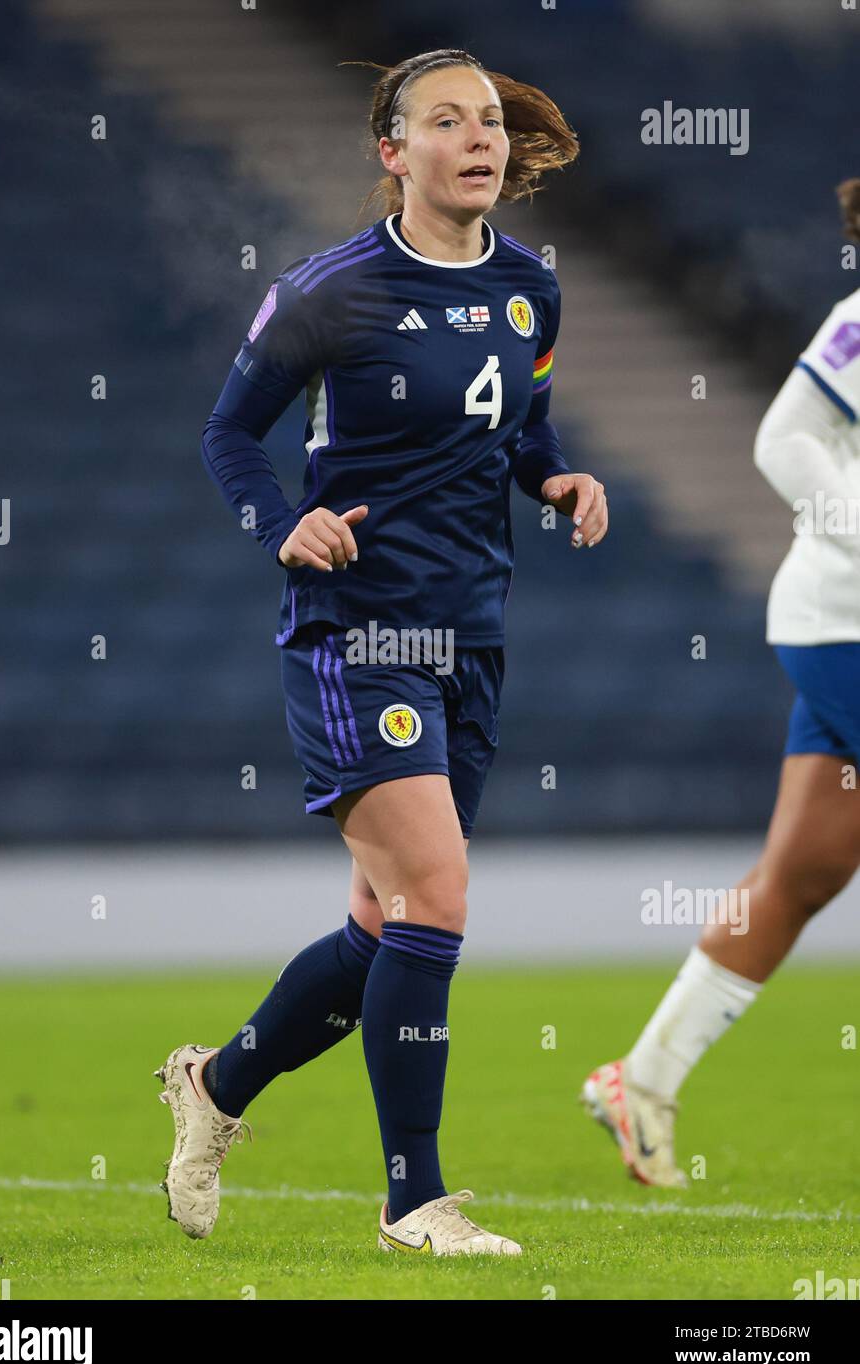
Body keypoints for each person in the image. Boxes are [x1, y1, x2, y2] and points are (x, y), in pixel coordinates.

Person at [156, 48, 608, 1254]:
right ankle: (415, 1201)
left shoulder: (529, 291)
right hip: (358, 637)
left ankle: (213, 1090)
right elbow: (228, 436)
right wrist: (281, 523)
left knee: (381, 928)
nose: (480, 139)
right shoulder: (331, 289)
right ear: (391, 152)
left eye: (491, 122)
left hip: (472, 635)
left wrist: (555, 476)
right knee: (439, 899)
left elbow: (522, 426)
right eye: (446, 121)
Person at [582, 178, 860, 1189]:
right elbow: (781, 438)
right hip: (846, 623)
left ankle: (641, 1079)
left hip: (833, 627)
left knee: (805, 870)